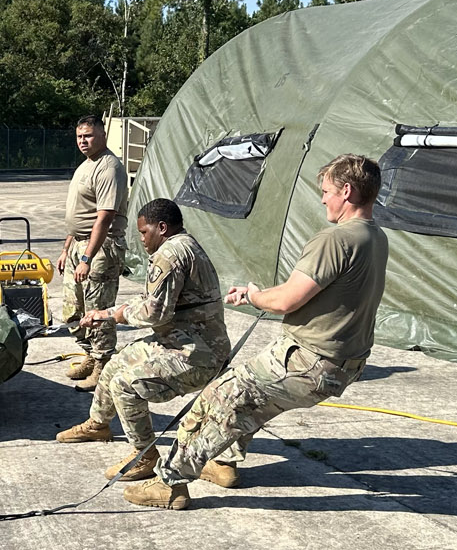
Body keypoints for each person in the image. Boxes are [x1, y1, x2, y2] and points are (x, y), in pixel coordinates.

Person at [124, 154, 389, 510]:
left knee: (220, 398)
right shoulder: (375, 236)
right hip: (342, 363)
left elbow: (287, 300)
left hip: (308, 361)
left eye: (326, 191)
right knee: (248, 401)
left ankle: (170, 482)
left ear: (347, 190)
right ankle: (222, 462)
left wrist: (254, 295)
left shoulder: (335, 239)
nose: (323, 198)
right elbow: (318, 291)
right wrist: (260, 295)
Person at [55, 198, 229, 481]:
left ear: (161, 227)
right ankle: (98, 424)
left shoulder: (170, 254)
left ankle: (144, 455)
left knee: (125, 385)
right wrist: (107, 312)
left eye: (144, 232)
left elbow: (154, 312)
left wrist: (114, 315)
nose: (141, 239)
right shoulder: (183, 244)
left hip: (197, 355)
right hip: (183, 340)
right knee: (115, 364)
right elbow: (154, 300)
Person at [56, 114, 127, 390]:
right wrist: (66, 250)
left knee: (97, 311)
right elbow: (79, 215)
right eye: (78, 137)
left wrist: (87, 257)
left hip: (101, 248)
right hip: (78, 245)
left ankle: (102, 365)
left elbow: (104, 217)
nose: (82, 141)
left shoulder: (109, 167)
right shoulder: (85, 166)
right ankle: (88, 353)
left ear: (102, 135)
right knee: (73, 310)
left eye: (88, 135)